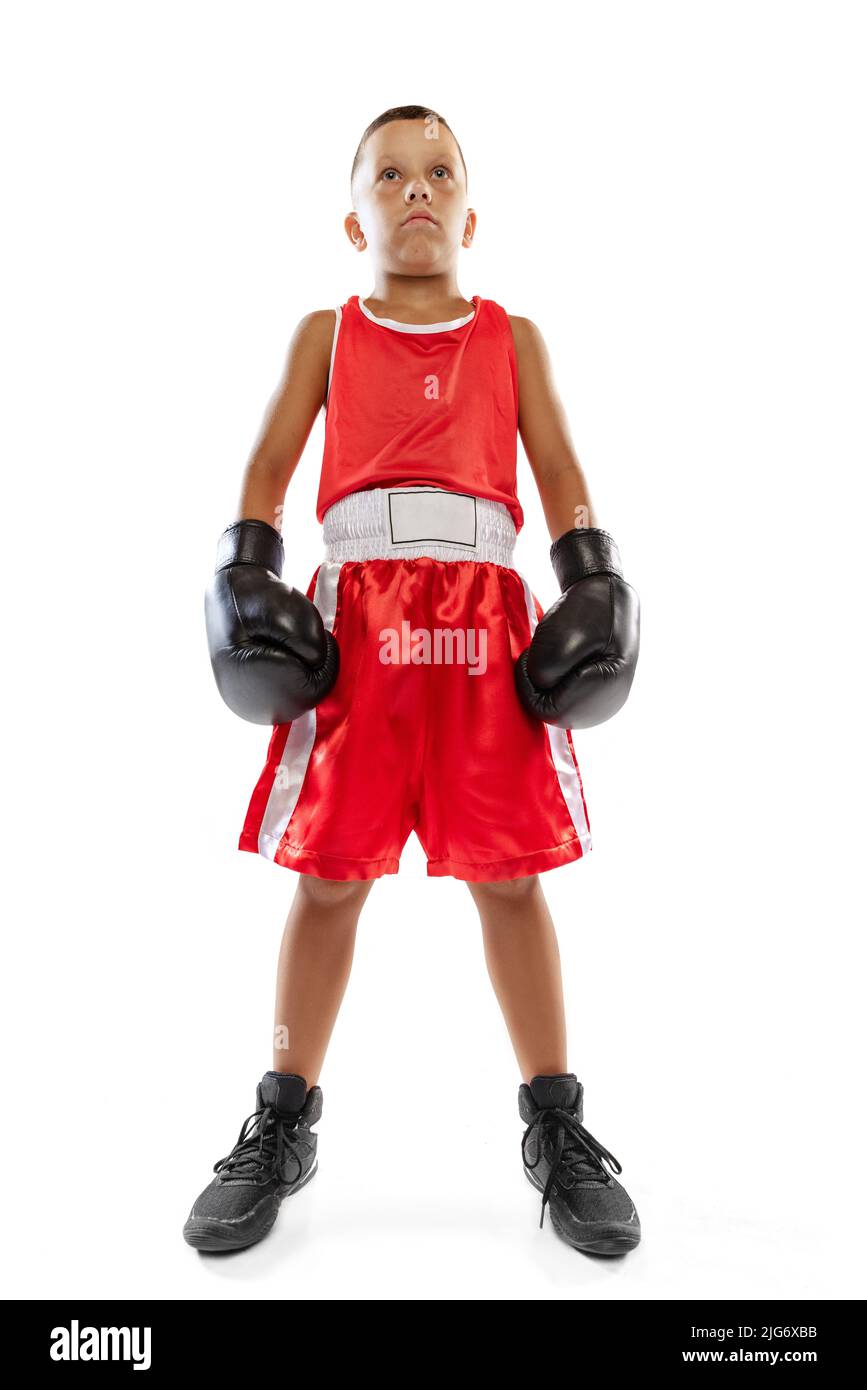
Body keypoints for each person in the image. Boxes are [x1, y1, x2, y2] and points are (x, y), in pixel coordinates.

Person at [184, 105, 641, 1258]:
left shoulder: (512, 337)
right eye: (390, 174)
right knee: (331, 877)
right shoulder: (325, 336)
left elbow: (564, 468)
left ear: (472, 212)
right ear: (356, 219)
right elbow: (267, 464)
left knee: (511, 876)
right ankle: (281, 1122)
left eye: (439, 171)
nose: (417, 188)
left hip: (487, 621)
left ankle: (558, 1127)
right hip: (362, 625)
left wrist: (592, 577)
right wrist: (247, 570)